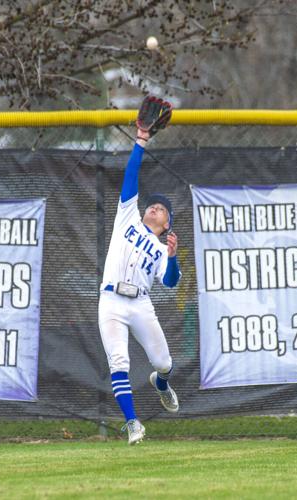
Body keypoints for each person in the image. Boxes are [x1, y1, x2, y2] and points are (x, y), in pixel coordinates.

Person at [99, 96, 181, 445]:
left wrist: (175, 258)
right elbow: (131, 174)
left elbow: (170, 281)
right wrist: (141, 140)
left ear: (167, 223)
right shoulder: (128, 216)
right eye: (153, 205)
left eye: (162, 209)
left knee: (163, 363)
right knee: (119, 361)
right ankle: (133, 424)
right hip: (112, 301)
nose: (155, 209)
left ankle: (160, 383)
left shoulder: (164, 248)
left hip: (141, 304)